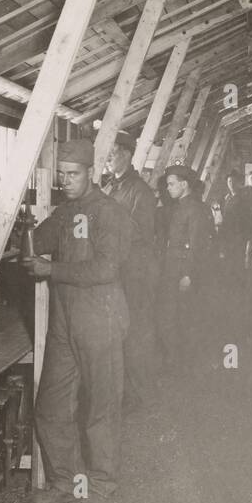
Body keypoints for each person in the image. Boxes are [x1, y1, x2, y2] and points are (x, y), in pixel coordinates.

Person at [21, 138, 133, 503]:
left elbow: (106, 268)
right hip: (64, 321)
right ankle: (63, 481)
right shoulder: (65, 212)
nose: (65, 181)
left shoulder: (110, 213)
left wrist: (50, 268)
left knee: (101, 406)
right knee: (50, 405)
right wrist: (21, 229)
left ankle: (100, 485)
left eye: (73, 174)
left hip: (101, 318)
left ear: (91, 172)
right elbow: (36, 240)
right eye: (62, 174)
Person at [102, 131, 158, 413]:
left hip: (133, 273)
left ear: (126, 154)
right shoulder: (110, 187)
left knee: (132, 331)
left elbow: (142, 232)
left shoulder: (140, 192)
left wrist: (109, 228)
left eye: (112, 154)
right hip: (114, 271)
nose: (108, 159)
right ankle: (120, 392)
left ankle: (137, 393)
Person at [157, 164, 214, 373]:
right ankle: (176, 360)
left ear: (184, 184)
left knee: (182, 317)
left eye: (171, 184)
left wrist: (188, 275)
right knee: (171, 316)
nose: (168, 188)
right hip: (172, 270)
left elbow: (197, 245)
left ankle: (182, 363)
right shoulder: (178, 207)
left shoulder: (195, 209)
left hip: (182, 272)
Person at [219, 171, 248, 278]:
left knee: (238, 256)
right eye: (229, 181)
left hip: (238, 231)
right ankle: (229, 278)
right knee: (228, 255)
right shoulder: (227, 198)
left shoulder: (243, 198)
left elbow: (245, 216)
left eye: (234, 181)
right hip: (227, 231)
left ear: (238, 183)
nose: (231, 184)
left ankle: (239, 279)